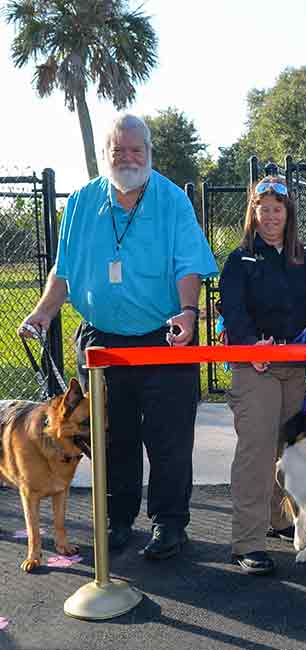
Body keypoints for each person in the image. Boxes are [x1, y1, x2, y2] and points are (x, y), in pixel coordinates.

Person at [18, 113, 217, 560]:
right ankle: (118, 520)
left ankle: (169, 525)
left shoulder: (172, 200)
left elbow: (188, 264)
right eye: (118, 151)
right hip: (101, 343)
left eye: (136, 150)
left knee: (168, 439)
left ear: (149, 152)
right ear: (106, 154)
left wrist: (188, 312)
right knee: (109, 437)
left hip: (166, 339)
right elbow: (64, 269)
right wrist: (43, 312)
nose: (127, 158)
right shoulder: (83, 202)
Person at [217, 176, 306, 575]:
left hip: (298, 366)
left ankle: (280, 519)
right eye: (262, 209)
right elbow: (232, 309)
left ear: (288, 213)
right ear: (253, 213)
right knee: (257, 452)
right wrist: (250, 344)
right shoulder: (240, 259)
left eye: (276, 209)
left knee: (293, 451)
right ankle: (247, 541)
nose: (269, 216)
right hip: (256, 367)